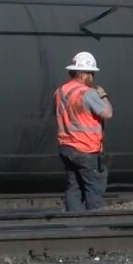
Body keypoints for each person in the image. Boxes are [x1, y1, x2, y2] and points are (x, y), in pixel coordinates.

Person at [54, 51, 113, 212]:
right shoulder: (87, 93)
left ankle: (76, 225)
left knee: (73, 188)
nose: (93, 77)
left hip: (66, 148)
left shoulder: (60, 92)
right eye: (91, 73)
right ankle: (94, 225)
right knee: (94, 187)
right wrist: (104, 96)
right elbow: (107, 113)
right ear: (83, 74)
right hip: (86, 150)